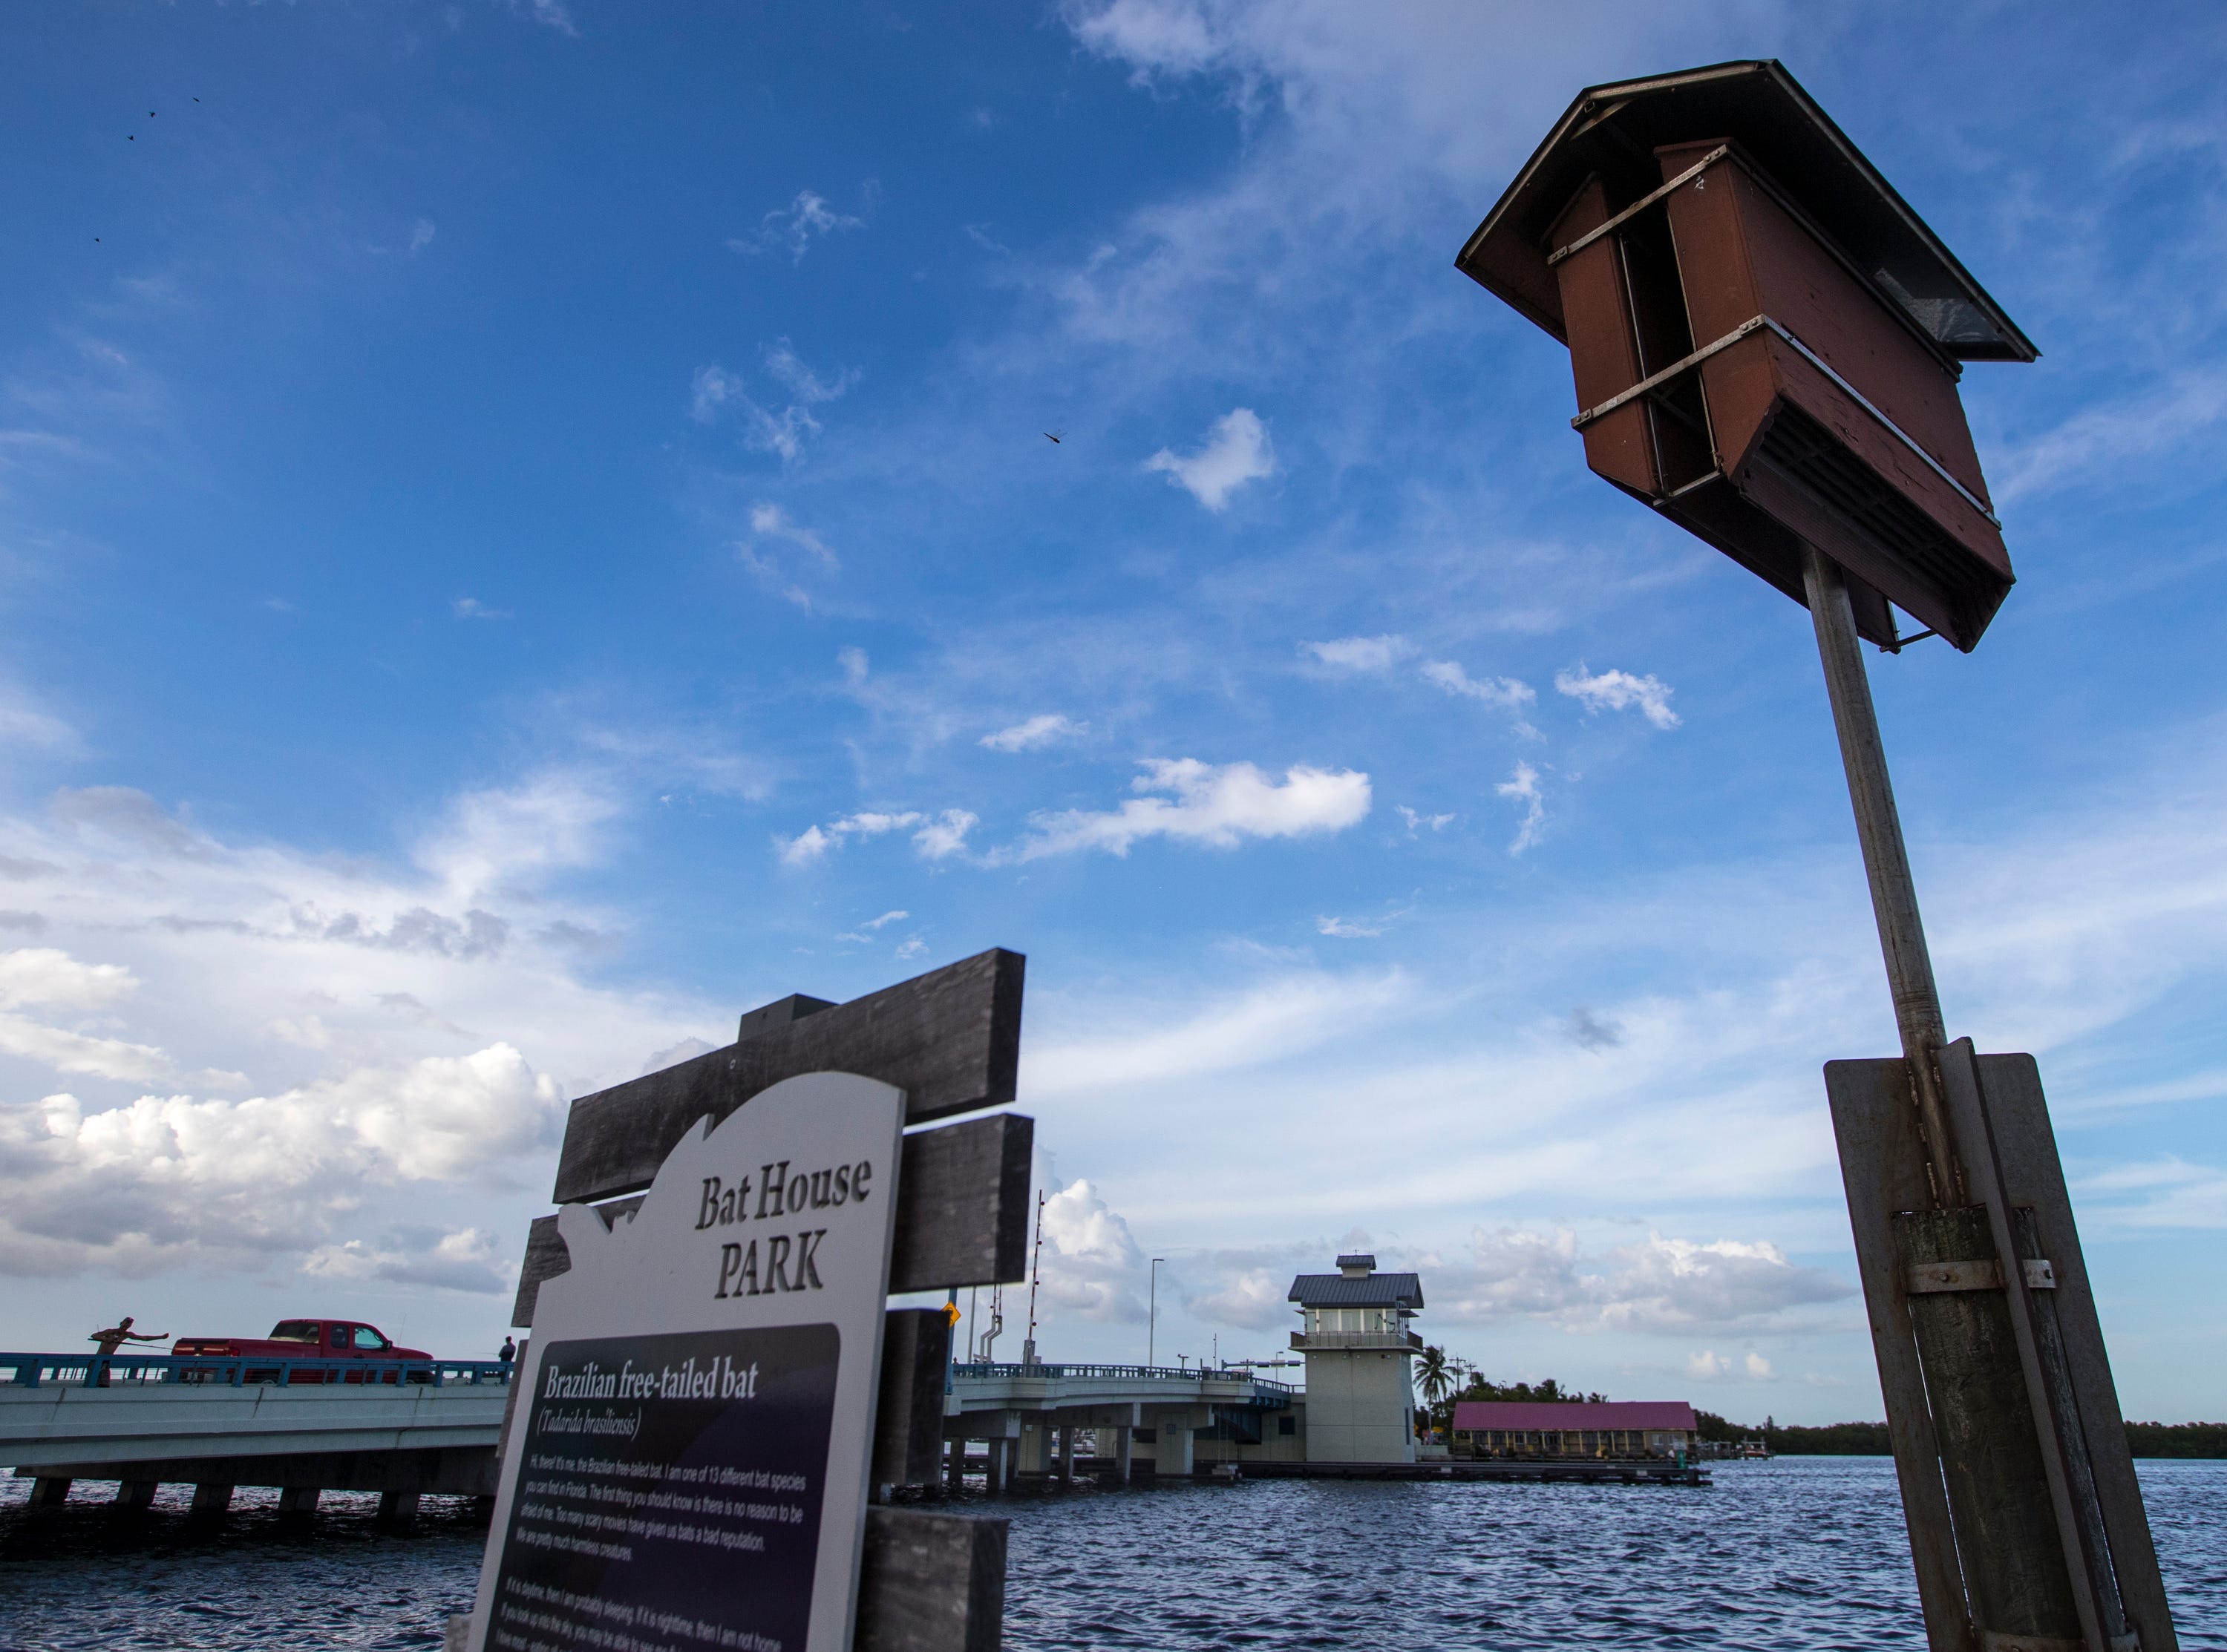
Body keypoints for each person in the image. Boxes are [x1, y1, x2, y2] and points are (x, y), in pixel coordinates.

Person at [87, 1317, 167, 1386]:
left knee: (104, 1383)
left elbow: (144, 1338)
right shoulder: (110, 1331)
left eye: (127, 1326)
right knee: (92, 1378)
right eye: (124, 1325)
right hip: (98, 1358)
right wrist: (106, 1339)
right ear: (121, 1323)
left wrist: (161, 1337)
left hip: (107, 1361)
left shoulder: (127, 1334)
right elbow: (94, 1335)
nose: (124, 1327)